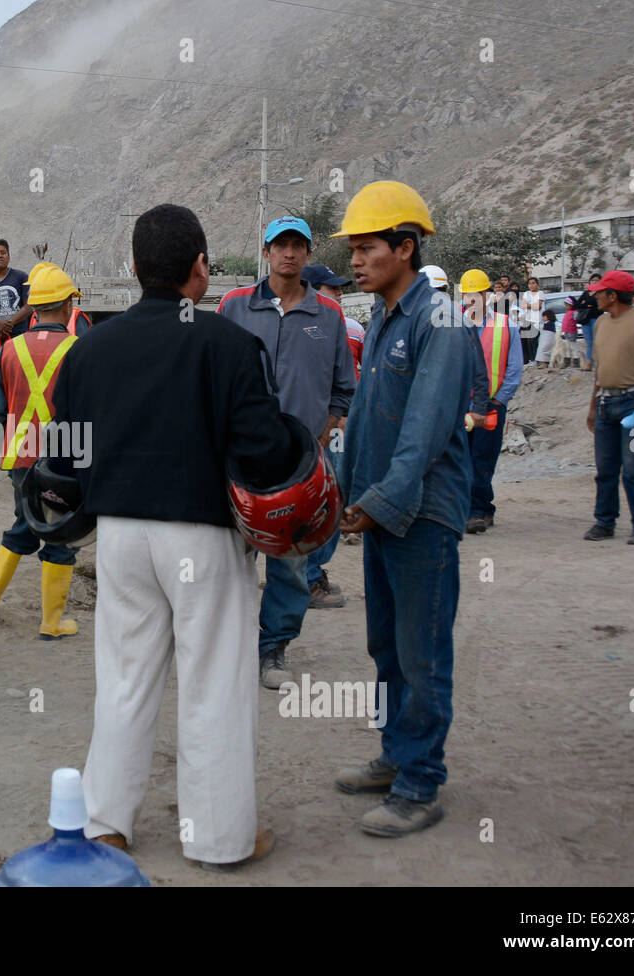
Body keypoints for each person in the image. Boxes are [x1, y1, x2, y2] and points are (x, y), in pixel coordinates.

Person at [53, 203, 303, 870]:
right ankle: (219, 840)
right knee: (212, 684)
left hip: (120, 538)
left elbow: (66, 456)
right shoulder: (225, 343)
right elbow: (265, 451)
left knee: (125, 680)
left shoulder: (89, 350)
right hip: (201, 536)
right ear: (199, 270)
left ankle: (105, 823)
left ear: (134, 270)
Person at [333, 181, 473, 837]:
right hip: (383, 512)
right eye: (354, 251)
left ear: (406, 246)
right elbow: (364, 420)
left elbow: (424, 430)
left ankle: (420, 785)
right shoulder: (388, 317)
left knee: (421, 654)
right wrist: (343, 490)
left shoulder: (439, 320)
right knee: (386, 645)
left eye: (367, 249)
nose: (356, 262)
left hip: (423, 516)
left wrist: (382, 497)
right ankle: (396, 756)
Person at [217, 216, 356, 687]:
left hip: (302, 468)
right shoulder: (234, 307)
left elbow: (343, 388)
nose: (289, 253)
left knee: (292, 564)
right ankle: (230, 648)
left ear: (309, 254)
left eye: (298, 245)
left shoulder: (330, 316)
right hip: (241, 462)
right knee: (232, 558)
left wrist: (326, 429)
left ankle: (273, 649)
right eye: (281, 245)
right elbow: (212, 377)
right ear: (266, 251)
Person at [0, 264, 84, 639]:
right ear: (66, 306)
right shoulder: (79, 349)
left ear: (34, 309)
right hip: (64, 456)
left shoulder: (9, 349)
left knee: (24, 520)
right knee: (60, 530)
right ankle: (51, 622)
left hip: (21, 455)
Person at [583, 270, 634, 545]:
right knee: (605, 468)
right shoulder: (600, 323)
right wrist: (593, 405)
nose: (594, 296)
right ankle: (604, 522)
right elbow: (600, 368)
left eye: (599, 292)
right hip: (607, 405)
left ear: (612, 295)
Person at [300, 262, 361, 608]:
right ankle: (308, 578)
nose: (339, 292)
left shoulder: (341, 324)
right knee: (321, 503)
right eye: (331, 287)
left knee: (331, 500)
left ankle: (311, 573)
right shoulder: (309, 327)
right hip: (323, 432)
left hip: (336, 427)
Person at [460, 268, 522, 534]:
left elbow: (514, 368)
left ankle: (480, 511)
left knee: (482, 459)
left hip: (493, 406)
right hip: (460, 405)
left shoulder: (506, 325)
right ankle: (466, 509)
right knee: (460, 458)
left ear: (488, 295)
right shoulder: (453, 324)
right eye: (467, 295)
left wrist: (498, 401)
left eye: (477, 294)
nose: (472, 299)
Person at [574, 272, 603, 369]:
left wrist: (587, 304)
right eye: (593, 280)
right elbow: (578, 304)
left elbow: (600, 306)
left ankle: (599, 362)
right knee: (589, 342)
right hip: (585, 320)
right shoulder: (586, 293)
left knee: (597, 341)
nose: (594, 282)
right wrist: (587, 305)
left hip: (596, 318)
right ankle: (588, 362)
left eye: (597, 280)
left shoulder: (601, 293)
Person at [519, 276, 543, 363]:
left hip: (536, 321)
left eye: (533, 283)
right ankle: (531, 360)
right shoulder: (526, 294)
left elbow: (538, 306)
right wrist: (532, 305)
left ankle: (537, 359)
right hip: (527, 320)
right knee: (527, 341)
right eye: (530, 283)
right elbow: (523, 305)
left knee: (534, 341)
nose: (531, 285)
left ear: (537, 284)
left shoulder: (540, 293)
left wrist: (529, 305)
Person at [559, 296, 581, 368]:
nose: (566, 307)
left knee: (573, 346)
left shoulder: (574, 312)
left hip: (571, 331)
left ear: (572, 305)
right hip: (566, 332)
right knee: (568, 347)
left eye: (567, 305)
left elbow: (576, 319)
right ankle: (567, 362)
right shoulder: (568, 312)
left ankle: (576, 361)